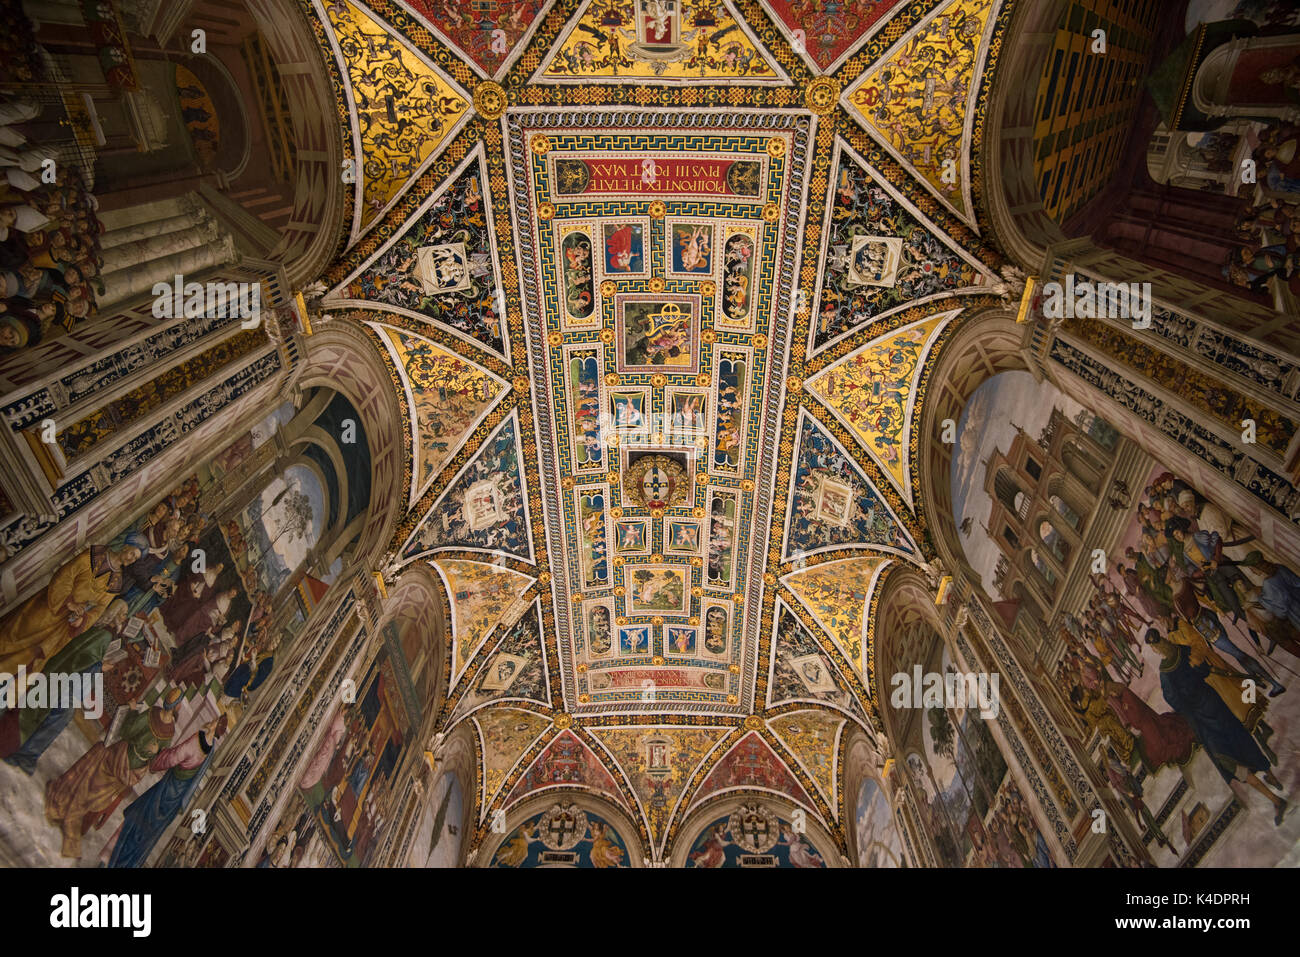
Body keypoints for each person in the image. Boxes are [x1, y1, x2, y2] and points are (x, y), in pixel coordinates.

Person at [1146, 630, 1286, 826]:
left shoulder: (1166, 674)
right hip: (1214, 702)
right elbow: (1203, 669)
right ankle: (1270, 775)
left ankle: (1276, 801)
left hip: (1203, 719)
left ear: (1154, 648)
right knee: (1241, 738)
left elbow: (1176, 702)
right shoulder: (1182, 651)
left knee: (1229, 762)